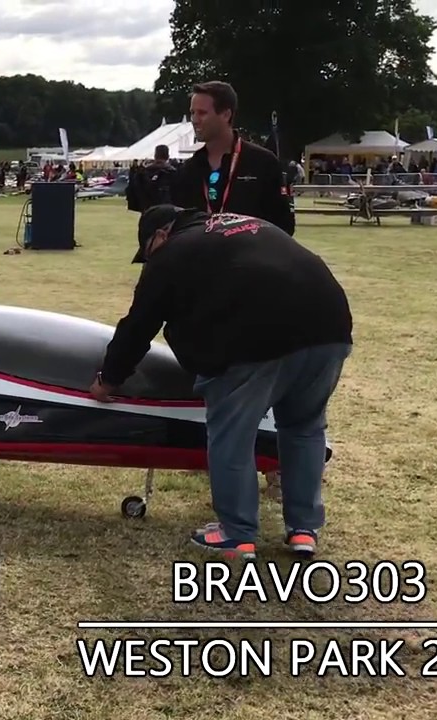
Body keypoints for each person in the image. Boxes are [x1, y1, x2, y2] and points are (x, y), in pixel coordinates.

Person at [91, 205, 353, 560]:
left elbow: (139, 325)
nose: (150, 262)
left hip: (255, 343)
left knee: (232, 434)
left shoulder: (172, 253)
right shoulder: (247, 222)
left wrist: (109, 379)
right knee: (304, 428)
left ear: (161, 235)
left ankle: (237, 533)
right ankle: (303, 529)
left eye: (149, 252)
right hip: (330, 329)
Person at [170, 81, 295, 236]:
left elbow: (284, 226)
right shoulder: (188, 170)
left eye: (202, 113)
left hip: (249, 257)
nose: (194, 120)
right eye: (192, 113)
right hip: (201, 258)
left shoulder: (263, 163)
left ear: (226, 114)